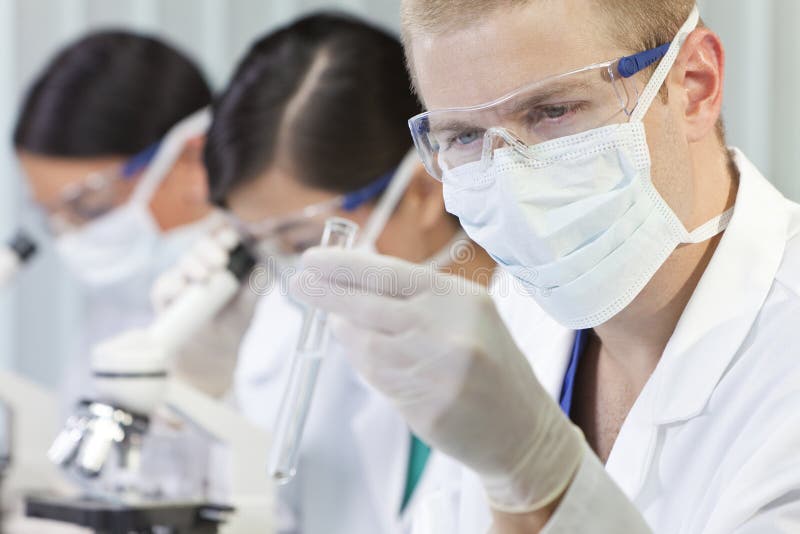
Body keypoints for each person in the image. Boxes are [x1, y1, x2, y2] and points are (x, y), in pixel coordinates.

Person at [292, 0, 800, 532]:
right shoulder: (511, 323)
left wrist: (540, 477)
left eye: (553, 111)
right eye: (464, 135)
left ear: (694, 84)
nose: (512, 179)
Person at [157, 13, 498, 533]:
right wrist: (200, 391)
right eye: (257, 242)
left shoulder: (548, 332)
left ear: (423, 192)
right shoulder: (281, 339)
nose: (290, 270)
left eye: (298, 240)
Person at [14, 30, 216, 403]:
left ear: (192, 158)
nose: (72, 237)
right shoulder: (118, 303)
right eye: (52, 215)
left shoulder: (275, 293)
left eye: (87, 204)